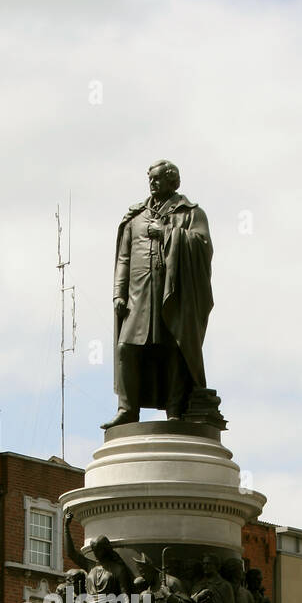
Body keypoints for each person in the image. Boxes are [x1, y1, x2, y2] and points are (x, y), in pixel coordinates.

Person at [105, 159, 213, 428]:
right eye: (149, 179)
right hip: (139, 296)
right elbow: (124, 258)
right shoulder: (135, 217)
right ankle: (127, 409)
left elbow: (202, 246)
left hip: (173, 295)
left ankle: (175, 410)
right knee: (126, 348)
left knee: (172, 349)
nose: (152, 183)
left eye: (157, 179)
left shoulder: (191, 213)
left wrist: (166, 232)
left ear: (172, 182)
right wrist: (119, 293)